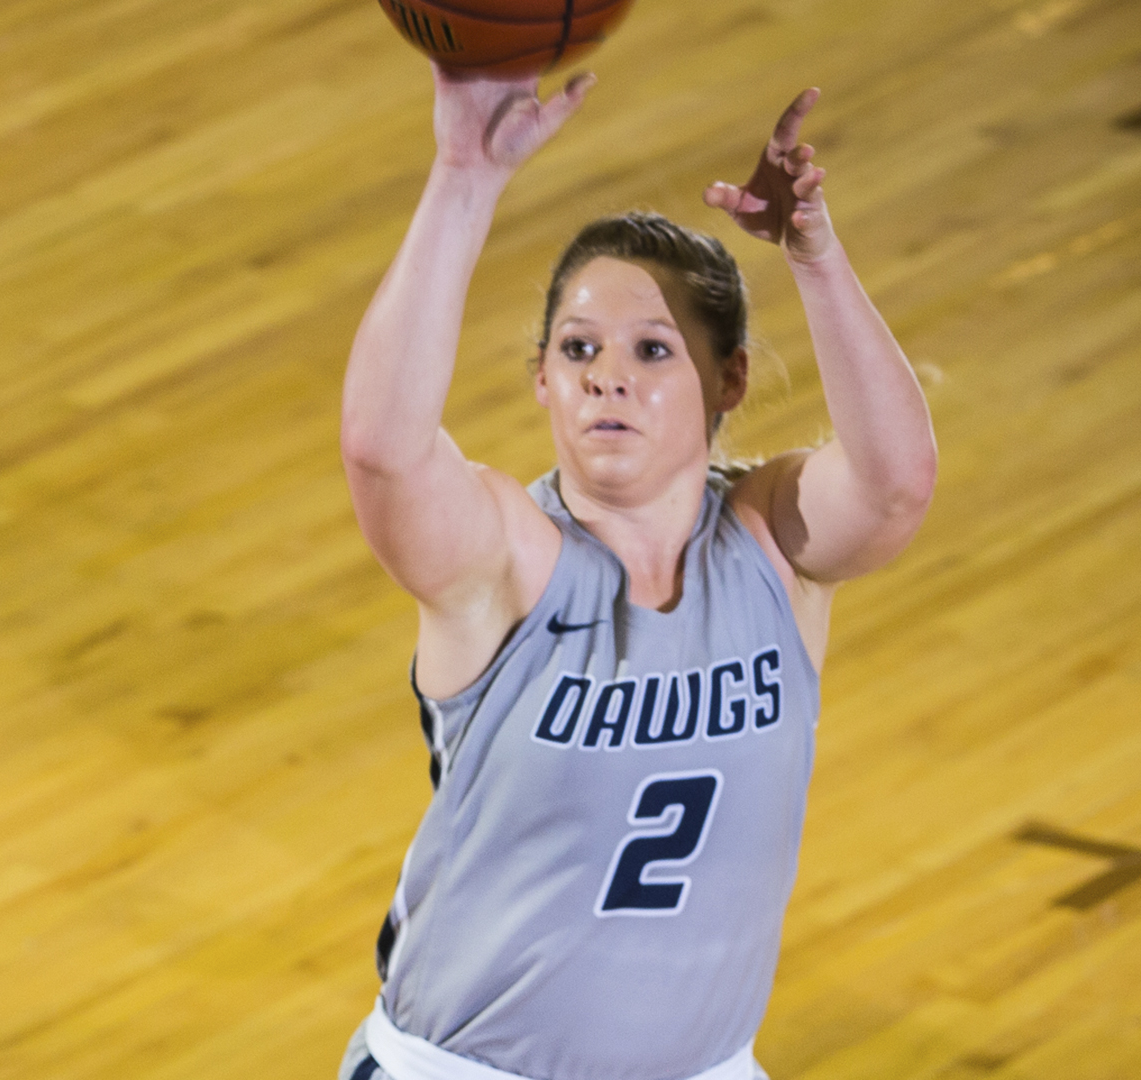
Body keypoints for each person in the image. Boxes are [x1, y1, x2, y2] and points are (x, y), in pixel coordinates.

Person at [338, 63, 937, 1080]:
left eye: (652, 351)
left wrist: (817, 257)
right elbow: (383, 452)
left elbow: (896, 487)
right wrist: (463, 178)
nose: (607, 376)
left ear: (728, 379)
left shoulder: (770, 544)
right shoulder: (505, 561)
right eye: (578, 349)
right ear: (541, 378)